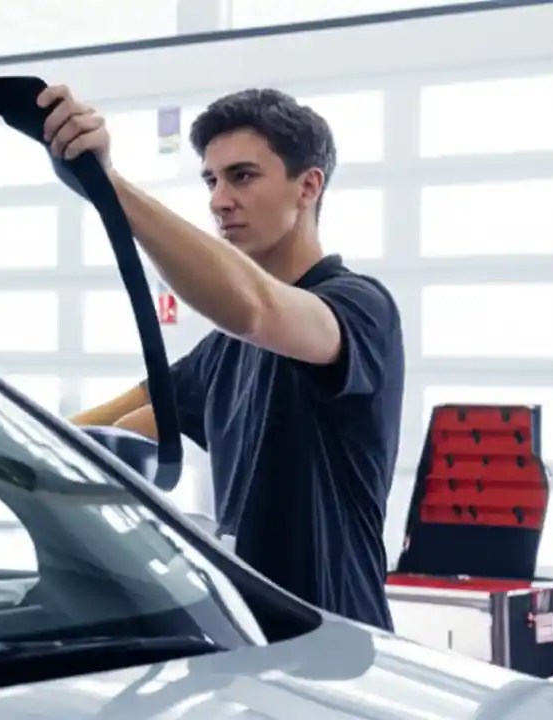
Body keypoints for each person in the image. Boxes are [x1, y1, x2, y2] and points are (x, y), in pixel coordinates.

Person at [41, 84, 404, 631]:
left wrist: (110, 186)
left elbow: (254, 309)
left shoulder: (359, 309)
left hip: (338, 640)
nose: (218, 199)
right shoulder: (222, 352)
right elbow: (109, 432)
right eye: (211, 180)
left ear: (308, 186)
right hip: (250, 638)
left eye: (242, 176)